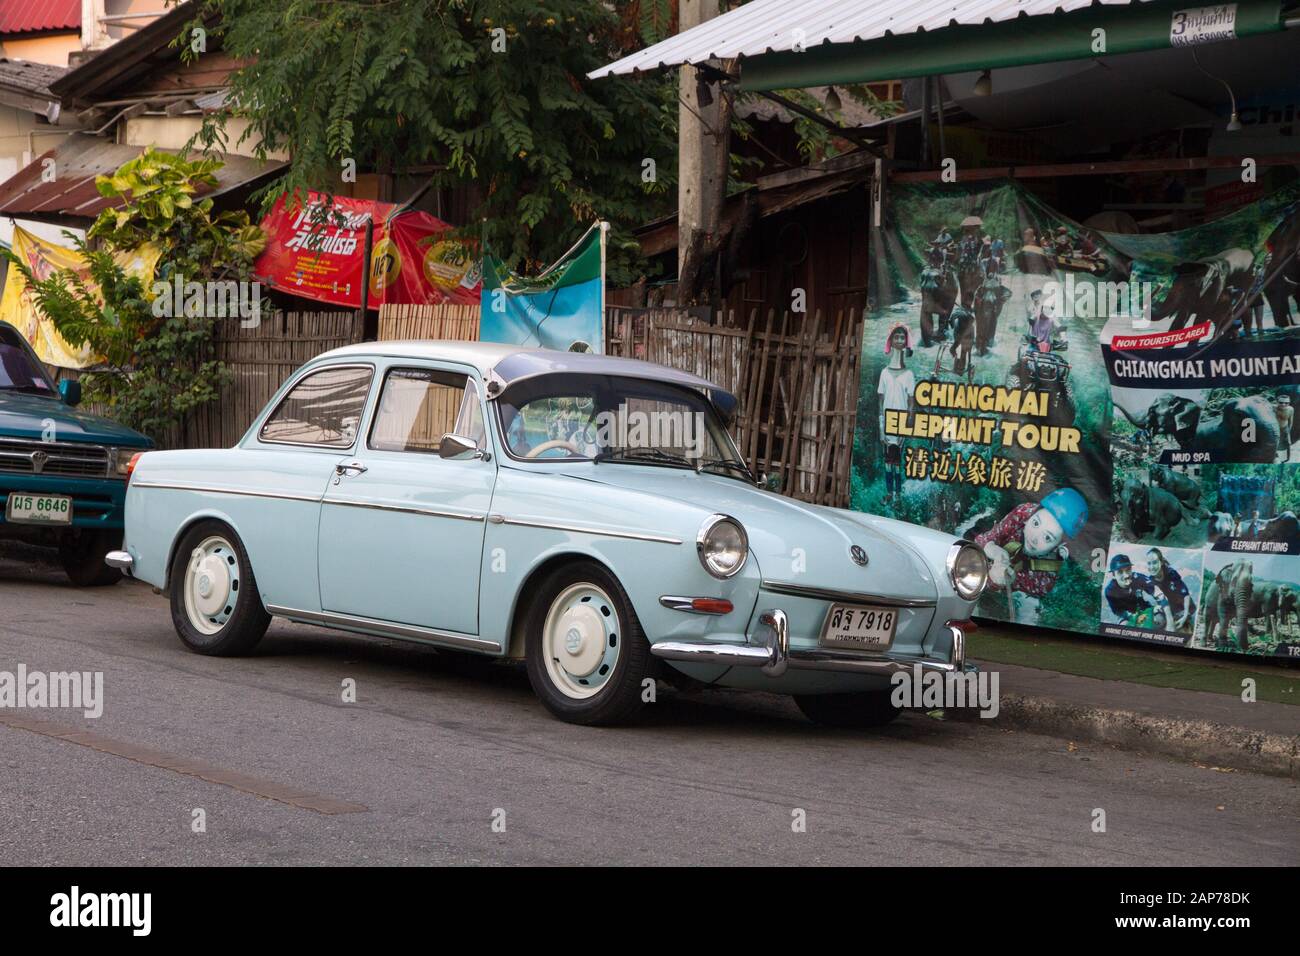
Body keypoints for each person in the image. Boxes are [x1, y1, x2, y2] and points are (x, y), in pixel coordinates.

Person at [976, 488, 1089, 622]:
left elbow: (1001, 592)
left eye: (1047, 537)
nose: (1034, 538)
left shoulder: (1044, 578)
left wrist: (996, 580)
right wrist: (992, 548)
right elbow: (983, 539)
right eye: (1036, 523)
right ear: (1033, 514)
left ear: (1060, 546)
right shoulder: (1022, 514)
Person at [877, 322, 915, 508]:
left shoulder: (909, 374)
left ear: (906, 341)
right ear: (891, 341)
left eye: (902, 337)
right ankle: (888, 494)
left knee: (897, 460)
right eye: (896, 337)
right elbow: (880, 400)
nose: (899, 340)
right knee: (887, 461)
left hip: (899, 423)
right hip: (886, 422)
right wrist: (880, 425)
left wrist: (906, 427)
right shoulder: (884, 373)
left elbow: (910, 403)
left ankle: (898, 496)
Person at [1104, 554, 1165, 628]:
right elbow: (1118, 611)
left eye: (1128, 570)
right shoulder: (1110, 591)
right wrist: (1135, 618)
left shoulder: (1138, 577)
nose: (1126, 575)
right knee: (1125, 629)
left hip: (1144, 608)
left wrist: (1159, 608)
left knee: (1160, 620)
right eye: (1120, 572)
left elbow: (1158, 593)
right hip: (1126, 615)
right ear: (1113, 575)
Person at [1146, 548, 1193, 633]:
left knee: (1183, 629)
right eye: (1149, 563)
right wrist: (1155, 608)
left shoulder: (1171, 573)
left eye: (1155, 562)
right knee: (1156, 622)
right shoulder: (1149, 582)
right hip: (1166, 608)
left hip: (1180, 606)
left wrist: (1185, 615)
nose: (1152, 567)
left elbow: (1185, 594)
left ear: (1161, 562)